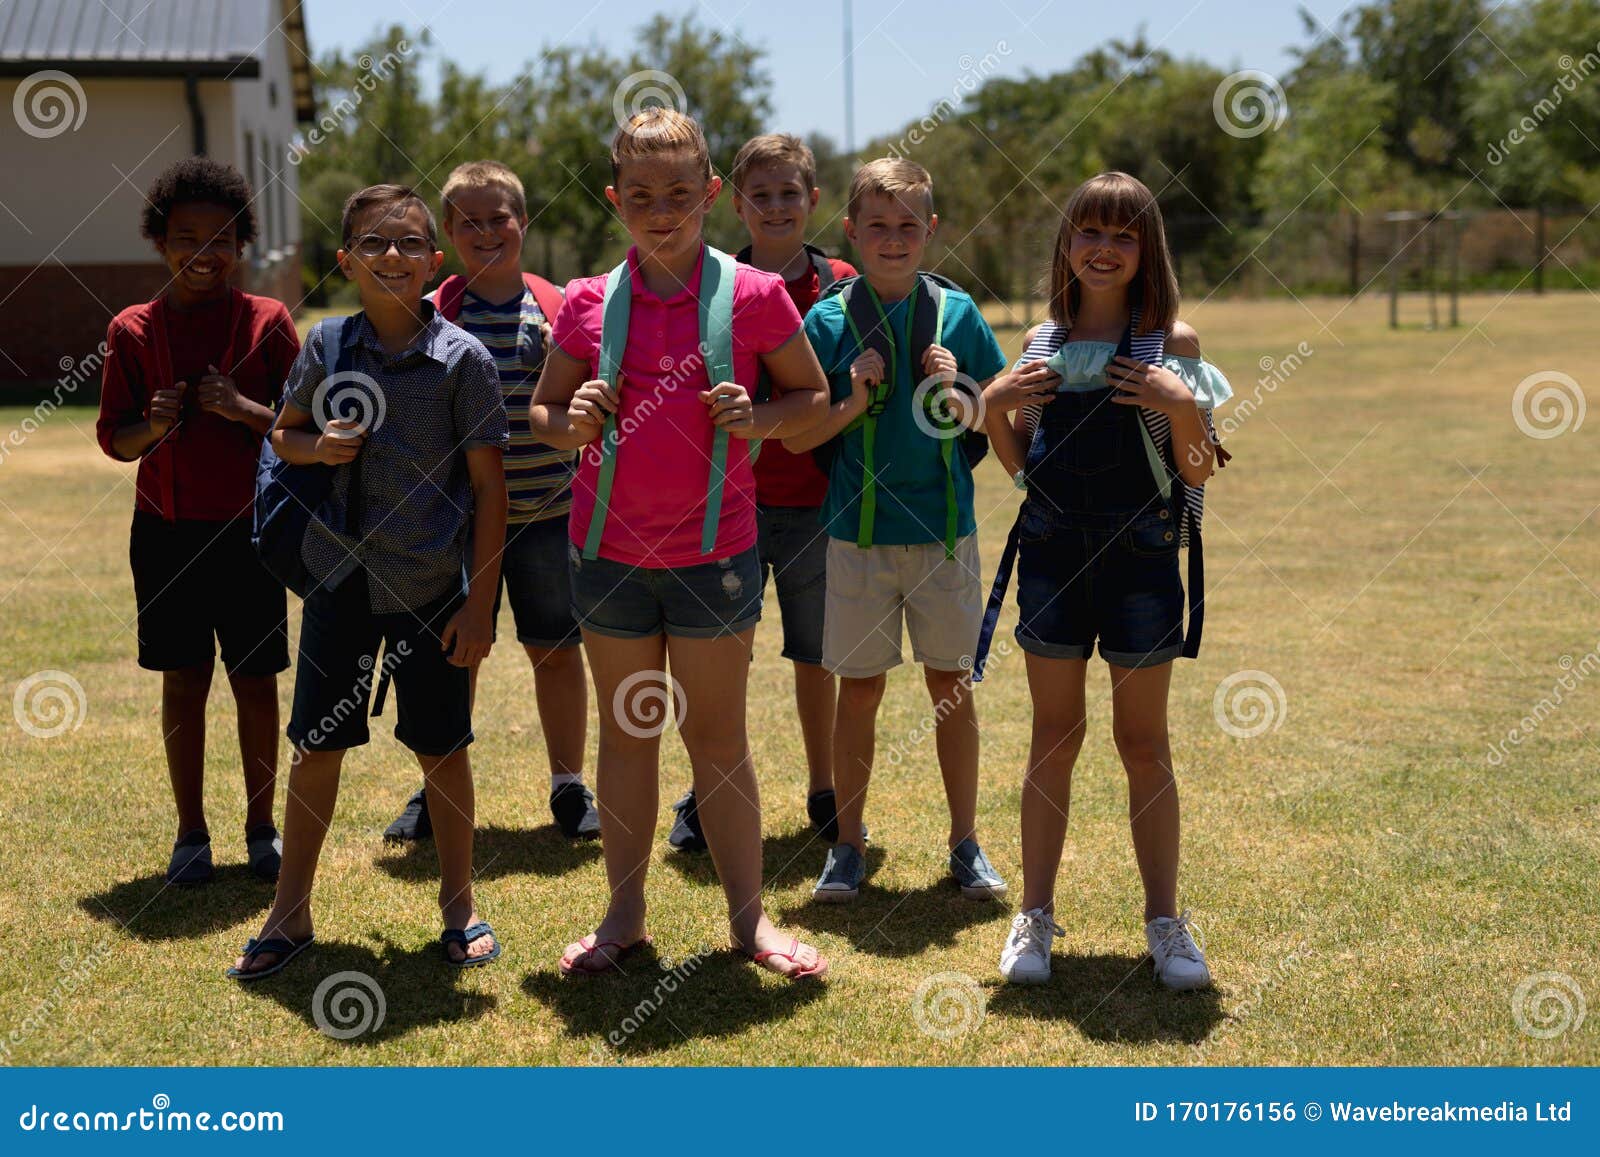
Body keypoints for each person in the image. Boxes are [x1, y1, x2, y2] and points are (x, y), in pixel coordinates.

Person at [529, 108, 831, 979]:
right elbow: (545, 417)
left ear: (707, 194)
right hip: (608, 558)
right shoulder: (587, 302)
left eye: (677, 194)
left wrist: (761, 416)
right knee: (627, 738)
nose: (660, 210)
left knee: (718, 741)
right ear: (615, 198)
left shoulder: (754, 295)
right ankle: (623, 918)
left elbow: (811, 403)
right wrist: (570, 417)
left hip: (715, 560)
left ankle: (750, 924)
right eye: (640, 195)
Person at [227, 185, 509, 979]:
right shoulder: (325, 347)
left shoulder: (465, 361)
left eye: (410, 243)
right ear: (345, 259)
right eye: (374, 244)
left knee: (442, 749)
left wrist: (481, 604)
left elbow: (492, 491)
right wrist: (320, 448)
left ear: (434, 259)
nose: (393, 256)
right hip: (338, 581)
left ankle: (459, 905)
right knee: (317, 745)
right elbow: (284, 433)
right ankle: (290, 912)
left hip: (432, 589)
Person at [980, 172, 1231, 990]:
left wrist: (1178, 403)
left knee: (1143, 745)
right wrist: (991, 407)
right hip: (1053, 555)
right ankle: (1035, 920)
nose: (1104, 247)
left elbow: (1197, 471)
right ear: (1067, 245)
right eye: (1089, 231)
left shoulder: (1174, 344)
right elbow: (1023, 470)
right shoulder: (1042, 346)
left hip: (1144, 560)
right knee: (1053, 738)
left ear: (1145, 250)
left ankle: (1166, 923)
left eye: (1123, 235)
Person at [784, 158, 1009, 905]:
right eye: (876, 225)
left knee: (952, 685)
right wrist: (853, 393)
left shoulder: (959, 314)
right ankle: (848, 845)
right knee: (861, 688)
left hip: (946, 533)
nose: (892, 238)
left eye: (908, 225)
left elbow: (995, 419)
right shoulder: (824, 319)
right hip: (856, 535)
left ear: (931, 231)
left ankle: (965, 844)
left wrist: (962, 388)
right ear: (850, 229)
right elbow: (802, 430)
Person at [96, 156, 299, 887]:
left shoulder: (267, 323)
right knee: (183, 680)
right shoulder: (132, 330)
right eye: (186, 237)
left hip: (250, 533)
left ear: (241, 244)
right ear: (160, 240)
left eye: (220, 238)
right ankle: (191, 833)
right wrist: (151, 429)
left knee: (255, 679)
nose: (203, 253)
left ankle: (261, 829)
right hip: (166, 531)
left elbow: (299, 430)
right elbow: (114, 441)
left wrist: (239, 407)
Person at [382, 160, 599, 845]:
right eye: (468, 221)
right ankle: (436, 783)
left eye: (498, 216)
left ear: (523, 221)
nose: (486, 231)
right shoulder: (430, 313)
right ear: (446, 232)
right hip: (459, 522)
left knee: (557, 651)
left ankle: (569, 785)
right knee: (454, 655)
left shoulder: (560, 308)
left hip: (548, 514)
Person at [664, 132, 858, 852]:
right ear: (735, 204)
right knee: (716, 659)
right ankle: (702, 792)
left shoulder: (840, 281)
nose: (776, 206)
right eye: (761, 194)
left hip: (817, 500)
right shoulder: (712, 280)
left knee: (816, 654)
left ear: (813, 200)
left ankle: (825, 789)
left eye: (790, 193)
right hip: (725, 503)